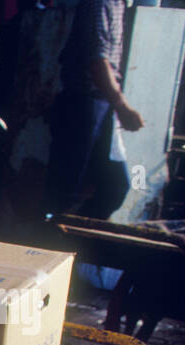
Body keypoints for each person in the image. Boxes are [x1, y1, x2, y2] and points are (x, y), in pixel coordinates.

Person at [42, 0, 143, 219]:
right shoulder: (100, 3)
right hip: (83, 104)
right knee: (65, 191)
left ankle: (75, 239)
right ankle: (51, 242)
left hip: (102, 104)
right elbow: (97, 62)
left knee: (115, 186)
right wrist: (122, 106)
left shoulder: (118, 4)